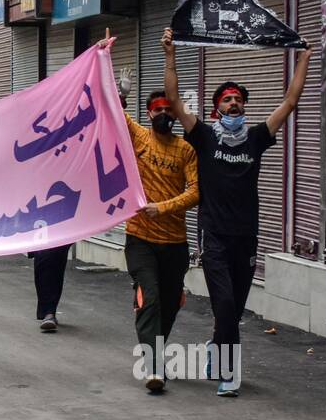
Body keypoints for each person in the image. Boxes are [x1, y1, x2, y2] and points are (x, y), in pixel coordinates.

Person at [164, 27, 312, 396]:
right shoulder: (205, 136)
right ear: (217, 108)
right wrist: (169, 53)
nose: (233, 104)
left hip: (245, 236)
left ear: (244, 106)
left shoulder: (257, 138)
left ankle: (217, 346)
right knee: (225, 302)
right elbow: (173, 100)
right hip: (213, 233)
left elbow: (291, 101)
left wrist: (304, 56)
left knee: (235, 307)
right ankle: (230, 371)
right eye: (227, 100)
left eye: (238, 100)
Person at [102, 48, 201, 391]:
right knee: (153, 296)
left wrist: (166, 207)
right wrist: (121, 92)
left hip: (175, 242)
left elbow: (197, 191)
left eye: (167, 109)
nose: (163, 113)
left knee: (171, 302)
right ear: (149, 113)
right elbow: (112, 114)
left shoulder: (186, 150)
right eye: (157, 109)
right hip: (140, 237)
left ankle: (154, 350)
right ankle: (154, 366)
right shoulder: (140, 137)